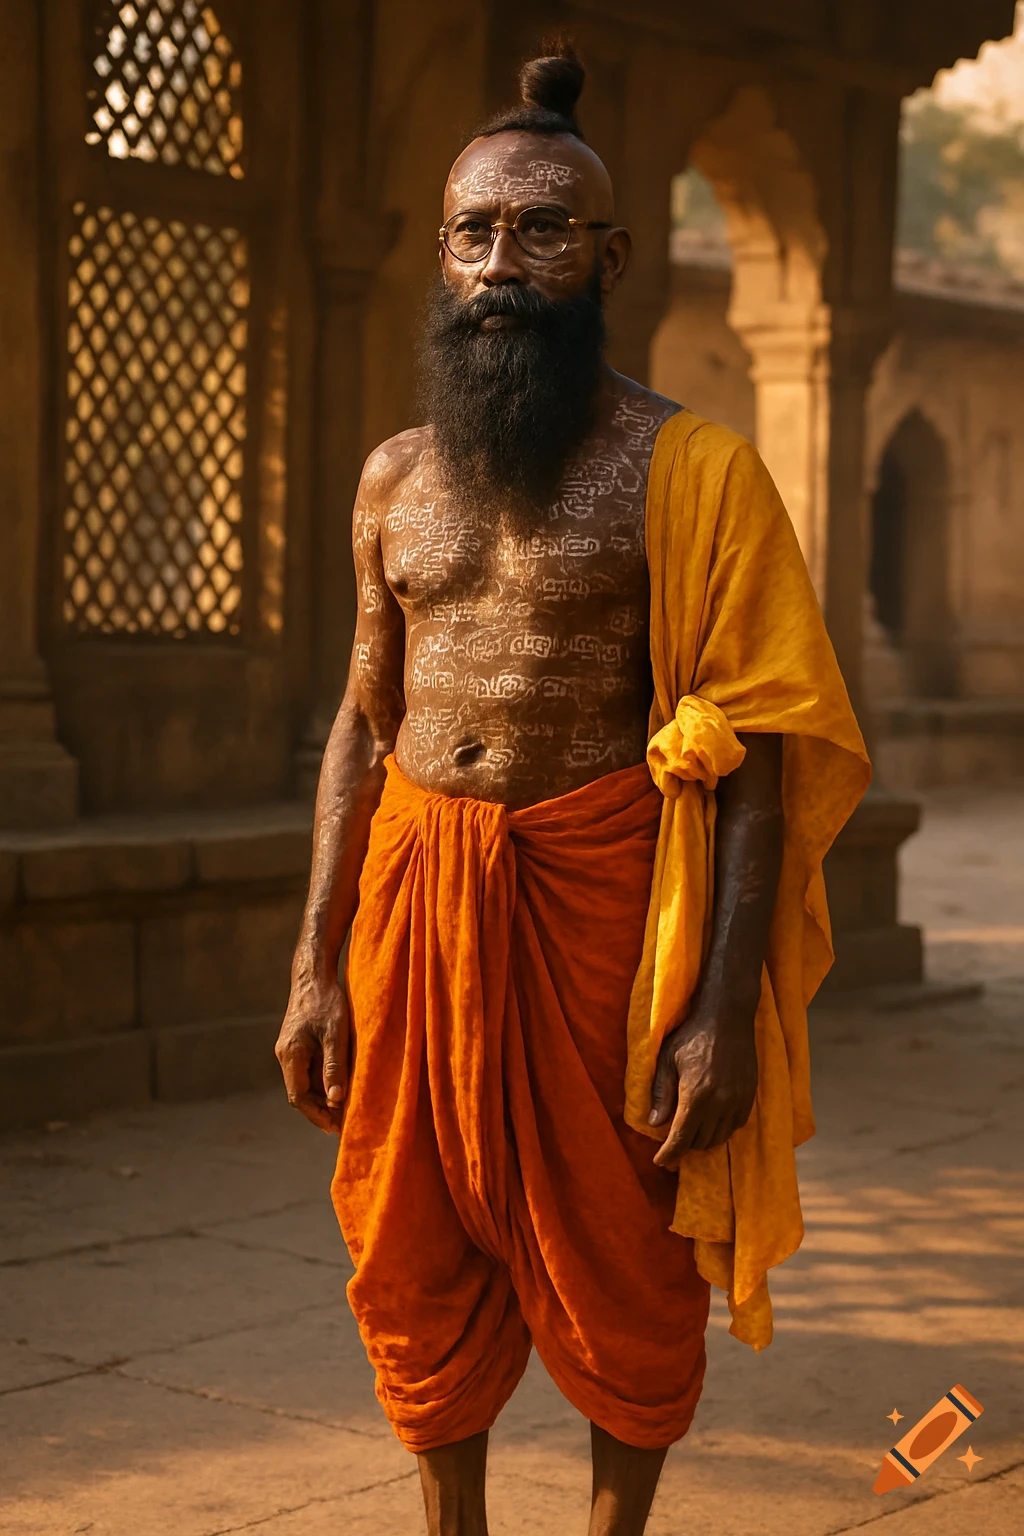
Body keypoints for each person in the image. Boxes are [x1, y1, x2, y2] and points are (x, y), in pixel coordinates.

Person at [276, 41, 869, 1536]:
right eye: (475, 231)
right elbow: (363, 721)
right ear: (442, 253)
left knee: (627, 1257)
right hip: (416, 903)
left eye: (542, 230)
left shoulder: (699, 469)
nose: (500, 261)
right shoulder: (392, 476)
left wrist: (724, 1010)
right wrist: (314, 962)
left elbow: (762, 751)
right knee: (409, 1250)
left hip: (607, 916)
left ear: (608, 256)